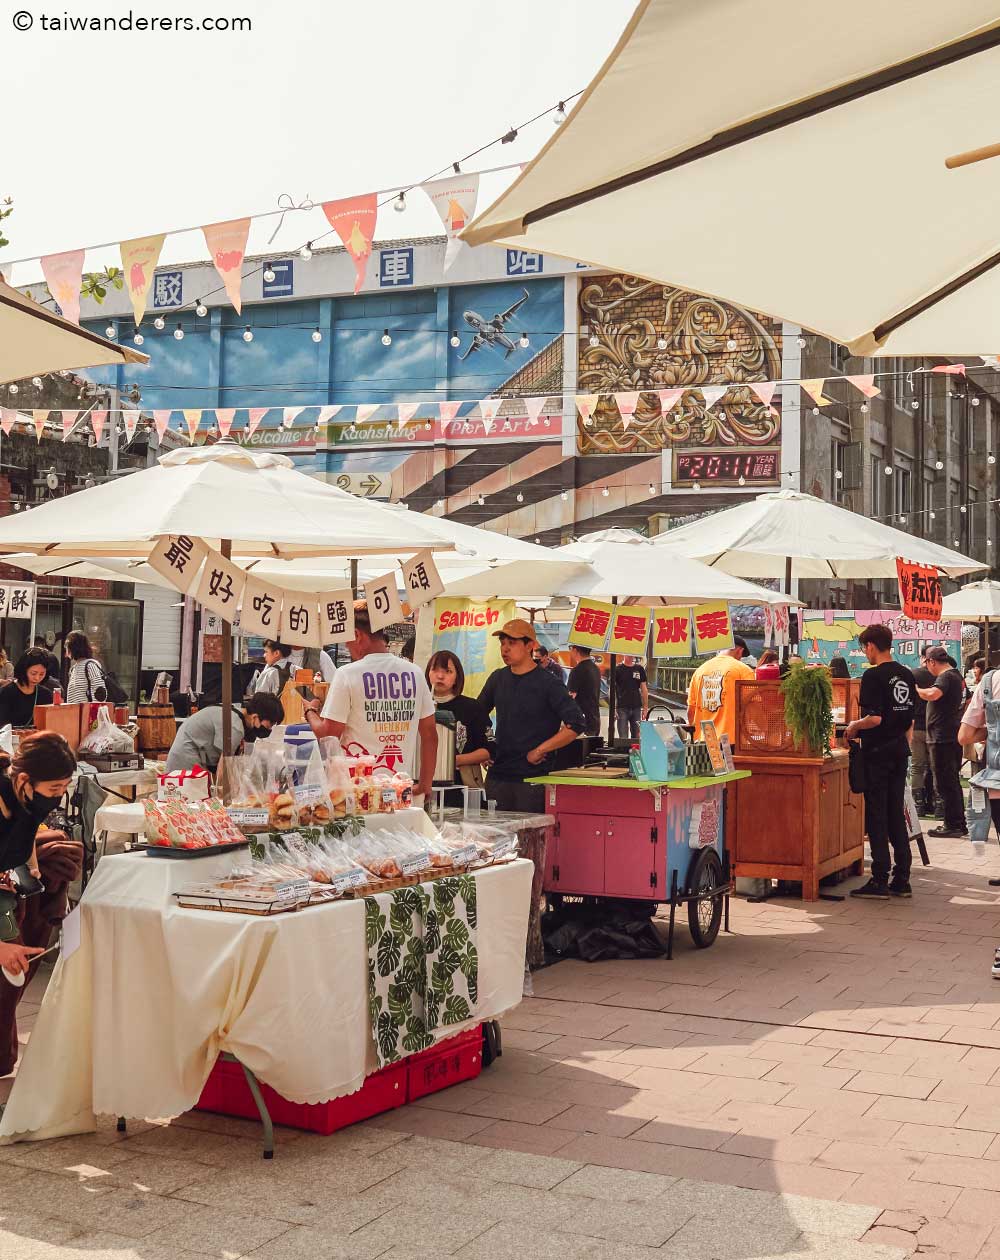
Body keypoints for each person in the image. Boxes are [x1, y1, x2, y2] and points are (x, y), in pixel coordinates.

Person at [0, 730, 81, 1075]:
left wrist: (30, 874)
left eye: (64, 789)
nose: (58, 798)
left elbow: (26, 837)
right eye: (54, 790)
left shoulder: (24, 801)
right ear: (24, 779)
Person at [304, 602, 436, 798]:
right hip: (398, 792)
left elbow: (328, 735)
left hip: (357, 793)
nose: (348, 649)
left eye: (348, 642)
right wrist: (425, 785)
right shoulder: (414, 673)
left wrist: (310, 712)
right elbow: (430, 734)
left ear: (358, 635)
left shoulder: (347, 674)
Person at [477, 619, 586, 812]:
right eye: (502, 643)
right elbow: (477, 716)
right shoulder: (497, 678)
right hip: (497, 777)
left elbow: (576, 724)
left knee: (531, 840)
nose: (505, 649)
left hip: (533, 779)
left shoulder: (549, 683)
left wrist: (540, 750)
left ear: (530, 645)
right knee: (495, 839)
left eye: (512, 643)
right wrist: (485, 745)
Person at [847, 623, 916, 900]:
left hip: (877, 754)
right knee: (895, 812)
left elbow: (874, 718)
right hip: (899, 750)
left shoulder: (873, 676)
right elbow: (909, 719)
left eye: (865, 648)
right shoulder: (906, 674)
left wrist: (854, 726)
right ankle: (902, 878)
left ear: (871, 646)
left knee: (876, 814)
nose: (865, 653)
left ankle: (879, 879)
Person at [917, 646, 968, 838]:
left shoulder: (945, 677)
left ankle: (952, 824)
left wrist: (917, 689)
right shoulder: (957, 676)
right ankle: (957, 822)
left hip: (942, 737)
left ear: (931, 661)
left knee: (945, 782)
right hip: (950, 734)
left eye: (926, 663)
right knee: (951, 781)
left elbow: (933, 694)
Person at [166, 693, 283, 773]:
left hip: (190, 757)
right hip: (184, 764)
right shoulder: (235, 726)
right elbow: (224, 769)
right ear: (255, 717)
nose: (270, 729)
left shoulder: (236, 712)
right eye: (270, 724)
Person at [425, 650, 492, 786]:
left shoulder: (472, 707)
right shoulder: (418, 706)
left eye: (448, 671)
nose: (440, 676)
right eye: (435, 670)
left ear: (457, 677)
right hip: (423, 782)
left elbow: (488, 750)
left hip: (463, 784)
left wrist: (455, 760)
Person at [687, 636, 754, 744]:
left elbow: (691, 711)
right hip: (732, 741)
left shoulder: (700, 670)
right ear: (739, 650)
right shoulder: (743, 670)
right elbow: (752, 706)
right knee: (728, 762)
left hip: (704, 741)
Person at [910, 647, 936, 817]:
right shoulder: (941, 675)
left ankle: (918, 805)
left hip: (916, 727)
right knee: (934, 767)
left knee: (917, 767)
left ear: (923, 657)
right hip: (934, 728)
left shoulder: (913, 675)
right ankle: (936, 803)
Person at [0, 651, 54, 729]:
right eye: (33, 673)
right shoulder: (6, 693)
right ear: (23, 670)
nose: (37, 678)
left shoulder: (45, 694)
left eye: (42, 674)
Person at [567, 644, 602, 737]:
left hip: (581, 722)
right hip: (595, 718)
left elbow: (571, 697)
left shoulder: (577, 670)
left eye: (570, 648)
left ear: (575, 650)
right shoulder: (595, 669)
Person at [64, 631, 105, 703]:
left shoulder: (90, 666)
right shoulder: (73, 669)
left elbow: (100, 691)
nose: (66, 652)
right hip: (75, 712)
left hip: (88, 713)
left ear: (73, 648)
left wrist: (93, 712)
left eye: (67, 647)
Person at [614, 654, 648, 741]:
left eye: (632, 654)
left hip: (636, 707)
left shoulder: (639, 669)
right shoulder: (617, 669)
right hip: (622, 707)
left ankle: (635, 754)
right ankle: (624, 753)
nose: (630, 656)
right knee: (623, 738)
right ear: (624, 654)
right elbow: (612, 689)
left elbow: (644, 689)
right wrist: (613, 708)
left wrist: (645, 708)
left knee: (636, 738)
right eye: (628, 654)